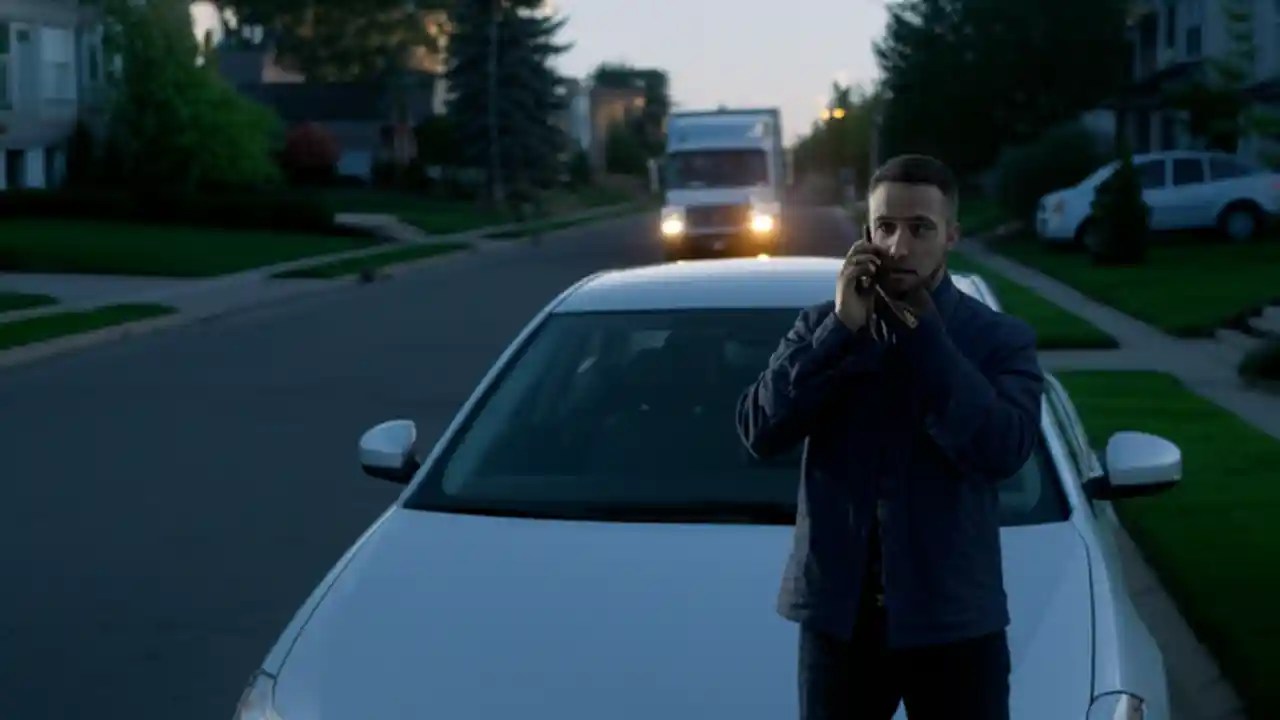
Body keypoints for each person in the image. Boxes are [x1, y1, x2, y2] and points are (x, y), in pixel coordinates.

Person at [735, 154, 1044, 719]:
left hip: (955, 622)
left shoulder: (999, 339)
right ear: (867, 233)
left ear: (951, 234)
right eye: (886, 227)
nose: (900, 247)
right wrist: (840, 330)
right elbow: (760, 430)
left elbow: (1003, 450)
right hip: (839, 622)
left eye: (921, 228)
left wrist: (924, 338)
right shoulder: (822, 327)